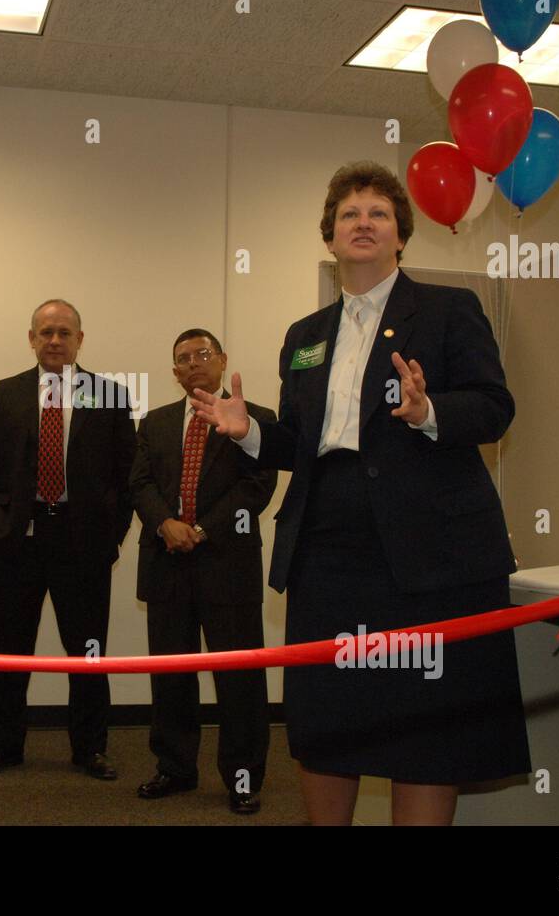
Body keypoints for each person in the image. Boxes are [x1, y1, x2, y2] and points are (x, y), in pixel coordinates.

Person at [191, 162, 530, 825]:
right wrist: (250, 432)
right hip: (329, 552)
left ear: (401, 235)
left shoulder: (448, 310)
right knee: (328, 722)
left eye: (378, 212)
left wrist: (430, 411)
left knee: (425, 731)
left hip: (430, 554)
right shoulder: (305, 335)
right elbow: (300, 440)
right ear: (332, 238)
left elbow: (494, 408)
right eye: (349, 214)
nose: (364, 222)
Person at [0, 299, 136, 780]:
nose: (55, 340)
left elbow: (127, 474)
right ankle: (2, 747)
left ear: (80, 339)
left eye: (64, 332)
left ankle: (90, 750)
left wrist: (111, 537)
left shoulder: (109, 394)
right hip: (14, 541)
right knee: (6, 651)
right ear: (31, 338)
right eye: (46, 332)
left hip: (82, 543)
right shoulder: (5, 393)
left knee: (87, 653)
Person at [130, 328, 277, 814]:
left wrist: (201, 530)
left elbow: (256, 488)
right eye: (183, 358)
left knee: (239, 680)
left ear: (222, 361)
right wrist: (166, 524)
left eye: (202, 354)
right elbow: (141, 483)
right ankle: (174, 768)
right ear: (174, 372)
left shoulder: (255, 419)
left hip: (227, 565)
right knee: (171, 675)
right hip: (165, 562)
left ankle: (242, 778)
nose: (193, 363)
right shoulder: (154, 422)